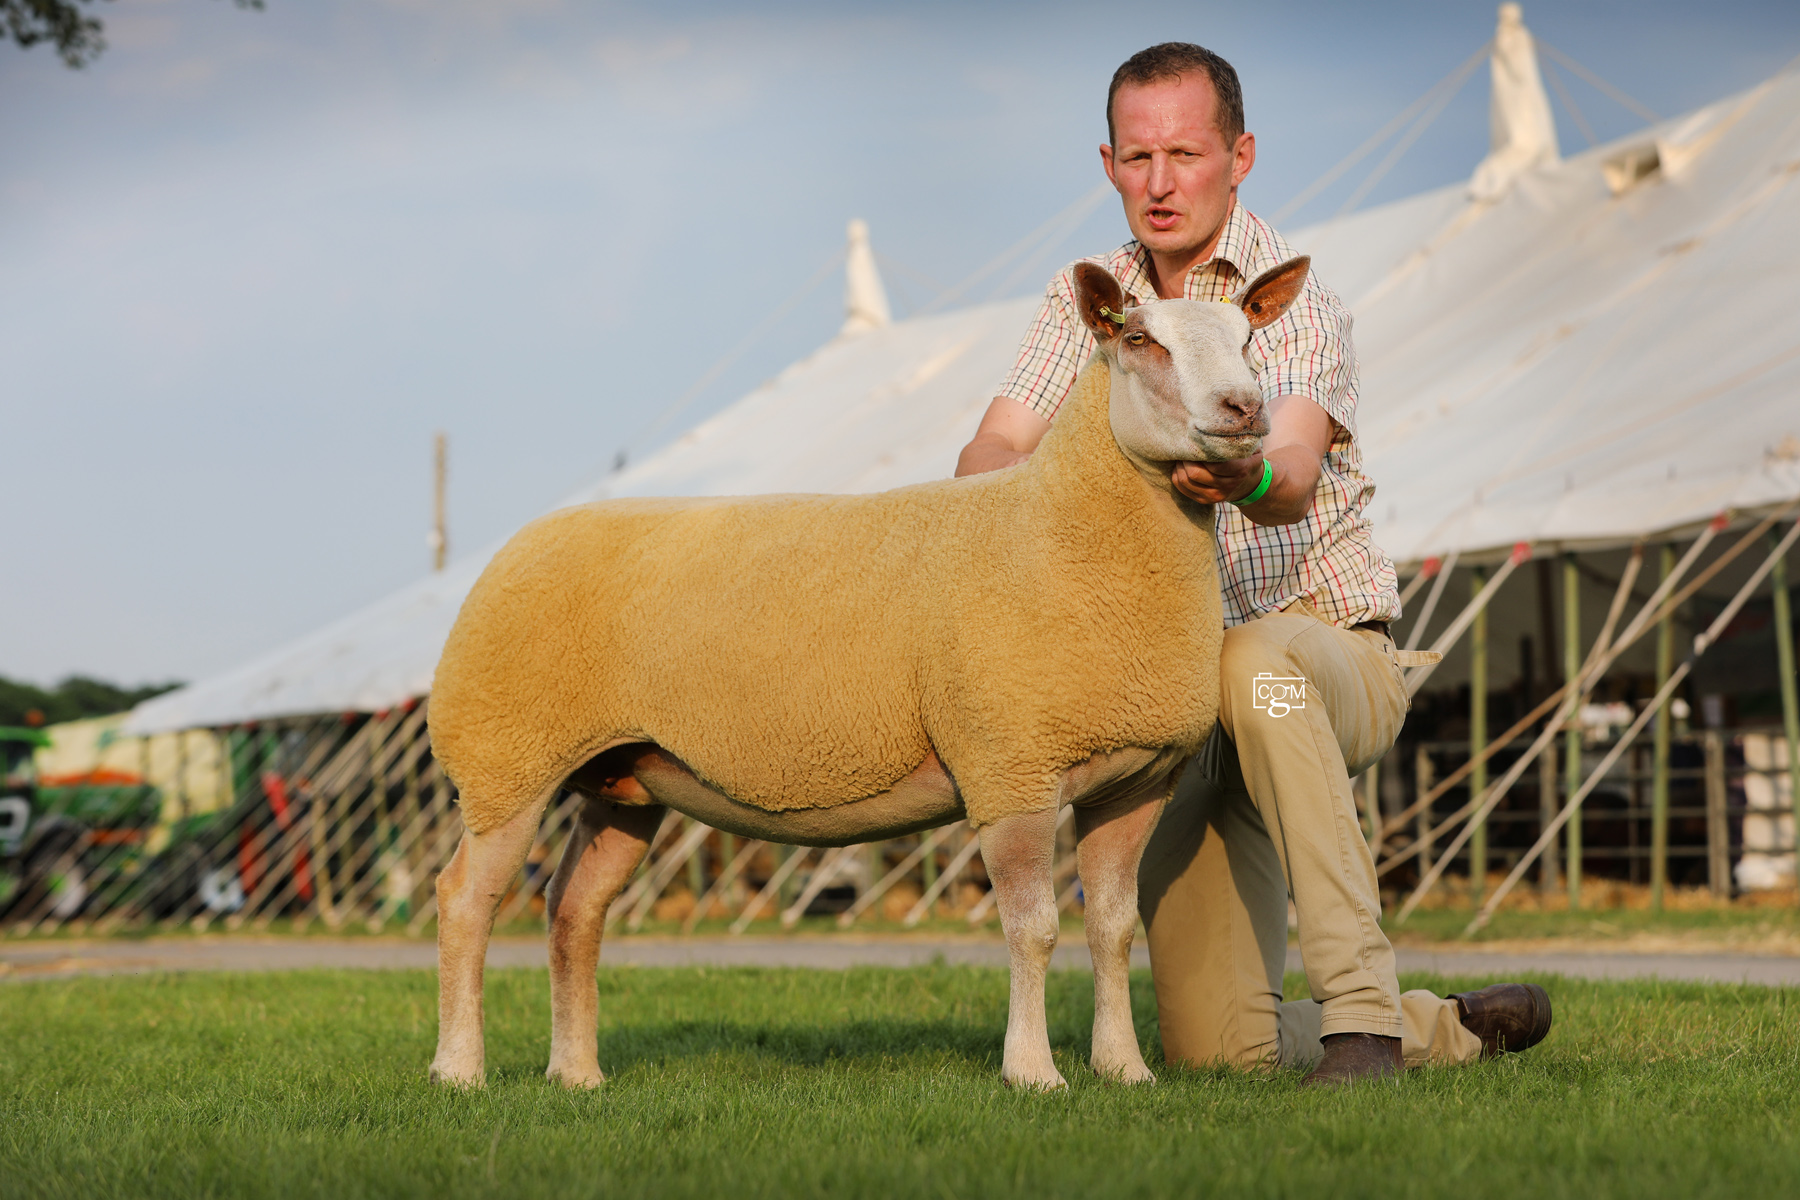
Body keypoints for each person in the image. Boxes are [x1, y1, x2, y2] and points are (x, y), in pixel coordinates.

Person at [956, 42, 1551, 1085]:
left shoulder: (1293, 299)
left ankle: (1362, 1018)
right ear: (1107, 164)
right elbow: (996, 445)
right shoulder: (1091, 304)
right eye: (1138, 156)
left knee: (1250, 664)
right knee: (1218, 1054)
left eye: (1186, 152)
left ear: (1241, 155)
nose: (1162, 182)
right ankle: (1444, 1027)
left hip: (1321, 657)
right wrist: (988, 498)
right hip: (1176, 712)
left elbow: (1294, 468)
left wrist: (1243, 485)